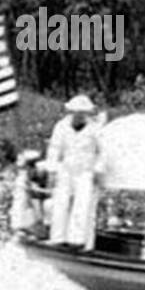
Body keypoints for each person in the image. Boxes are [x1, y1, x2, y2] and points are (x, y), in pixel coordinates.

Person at [44, 95, 106, 250]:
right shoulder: (61, 126)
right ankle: (57, 237)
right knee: (60, 202)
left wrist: (98, 169)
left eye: (82, 112)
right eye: (76, 111)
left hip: (86, 170)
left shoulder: (95, 128)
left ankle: (77, 240)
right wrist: (52, 170)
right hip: (66, 169)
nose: (79, 115)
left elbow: (103, 151)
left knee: (82, 204)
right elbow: (54, 148)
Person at [9, 149, 50, 235]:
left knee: (24, 207)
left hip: (25, 195)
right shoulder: (24, 176)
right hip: (24, 196)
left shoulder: (26, 175)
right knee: (23, 206)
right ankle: (24, 227)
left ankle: (23, 227)